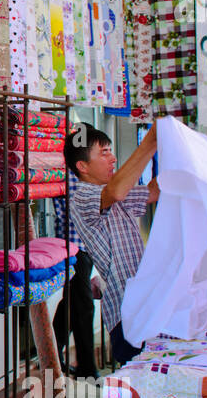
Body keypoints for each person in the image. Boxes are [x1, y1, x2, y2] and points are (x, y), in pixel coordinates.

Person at [64, 122, 159, 366]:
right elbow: (117, 192)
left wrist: (180, 154)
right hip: (127, 311)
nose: (113, 159)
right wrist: (150, 141)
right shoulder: (83, 197)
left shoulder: (113, 192)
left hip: (145, 303)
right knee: (138, 385)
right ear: (82, 166)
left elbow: (152, 192)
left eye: (111, 151)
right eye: (104, 153)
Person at [53, 171, 99, 379]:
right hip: (75, 246)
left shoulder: (78, 171)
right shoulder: (73, 171)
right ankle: (86, 369)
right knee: (83, 306)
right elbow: (80, 210)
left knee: (72, 303)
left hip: (81, 245)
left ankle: (54, 354)